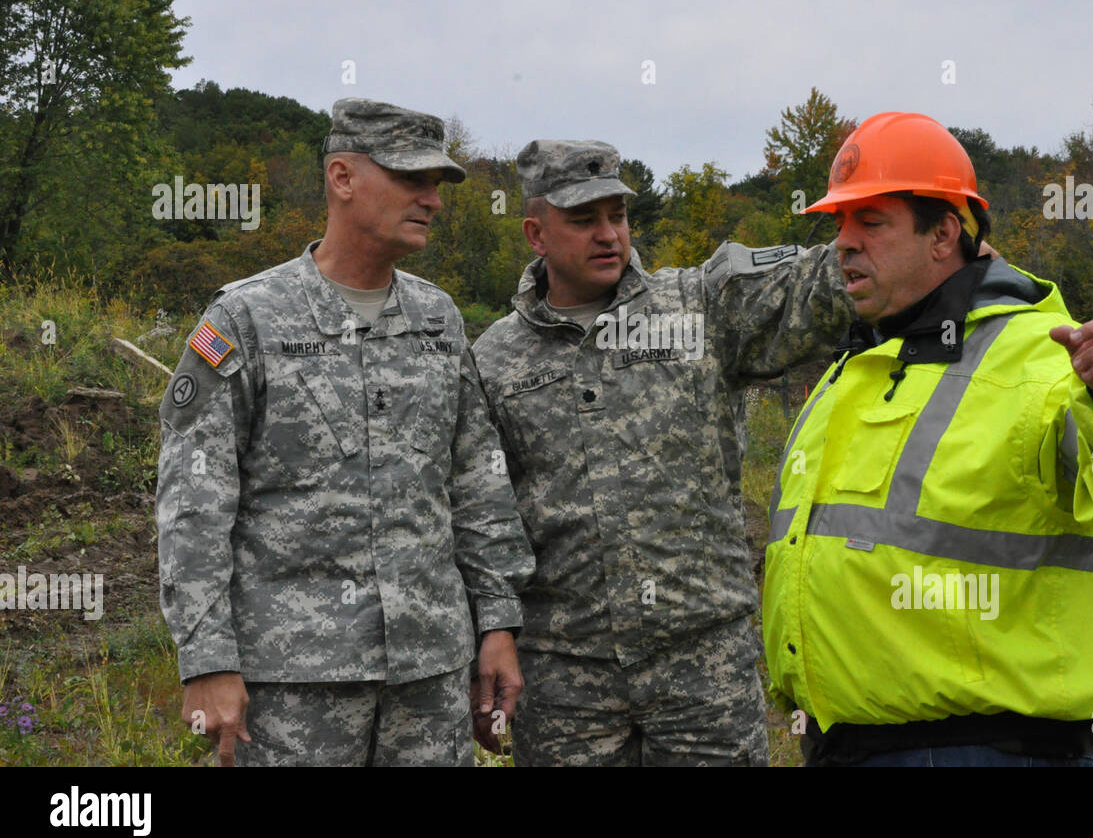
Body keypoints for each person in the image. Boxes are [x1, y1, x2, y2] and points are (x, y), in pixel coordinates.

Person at [761, 111, 1093, 766]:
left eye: (871, 221)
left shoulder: (1036, 359)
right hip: (848, 746)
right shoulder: (860, 366)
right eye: (840, 222)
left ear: (943, 234)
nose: (844, 242)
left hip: (982, 751)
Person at [156, 98, 535, 767]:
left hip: (429, 675)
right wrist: (208, 657)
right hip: (293, 683)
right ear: (342, 177)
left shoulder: (438, 319)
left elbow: (477, 480)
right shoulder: (247, 319)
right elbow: (194, 503)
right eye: (411, 178)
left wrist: (497, 622)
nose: (431, 199)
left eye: (438, 184)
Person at [471, 139, 856, 765]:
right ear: (535, 233)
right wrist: (492, 629)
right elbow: (482, 513)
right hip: (567, 676)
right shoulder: (494, 360)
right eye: (583, 219)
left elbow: (822, 284)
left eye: (617, 215)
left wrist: (951, 254)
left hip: (702, 666)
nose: (608, 235)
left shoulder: (698, 308)